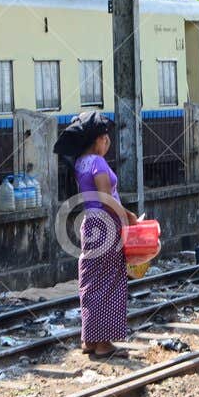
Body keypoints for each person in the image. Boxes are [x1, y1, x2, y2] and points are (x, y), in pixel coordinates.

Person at [53, 111, 141, 358]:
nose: (108, 142)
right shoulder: (98, 162)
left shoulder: (80, 161)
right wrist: (128, 216)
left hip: (90, 223)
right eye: (105, 138)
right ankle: (104, 343)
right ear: (97, 139)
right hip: (107, 224)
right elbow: (105, 197)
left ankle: (89, 339)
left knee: (91, 281)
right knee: (110, 280)